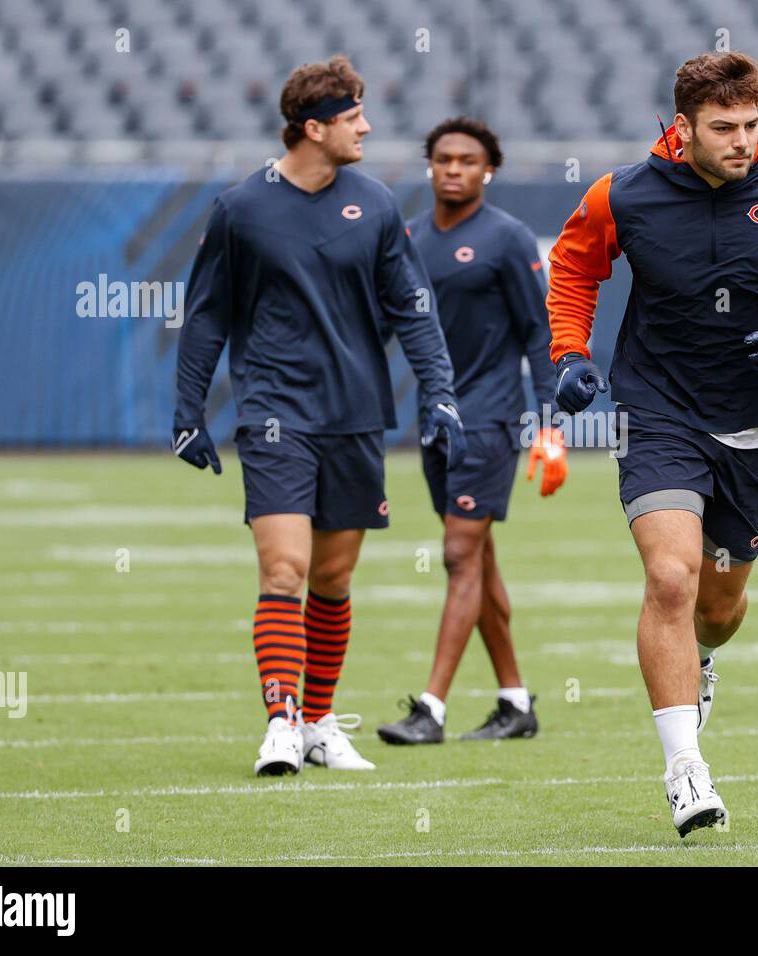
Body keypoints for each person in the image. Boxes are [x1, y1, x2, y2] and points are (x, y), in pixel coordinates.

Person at [546, 51, 758, 837]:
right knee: (668, 577)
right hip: (658, 411)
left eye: (752, 125)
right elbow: (573, 269)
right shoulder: (622, 194)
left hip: (757, 424)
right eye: (724, 127)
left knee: (716, 610)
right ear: (681, 126)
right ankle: (686, 770)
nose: (743, 141)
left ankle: (701, 659)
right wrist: (569, 353)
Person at [172, 55, 466, 776]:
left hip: (355, 417)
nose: (365, 127)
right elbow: (206, 315)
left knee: (332, 582)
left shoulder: (375, 204)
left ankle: (319, 722)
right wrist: (187, 410)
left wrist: (440, 392)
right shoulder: (240, 209)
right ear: (312, 127)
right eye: (351, 116)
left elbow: (415, 309)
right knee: (285, 570)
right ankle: (281, 722)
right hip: (274, 413)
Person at [377, 116, 565, 745]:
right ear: (429, 166)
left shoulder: (507, 239)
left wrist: (550, 423)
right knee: (476, 558)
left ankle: (430, 709)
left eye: (467, 160)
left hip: (490, 419)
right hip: (436, 421)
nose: (454, 168)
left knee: (459, 553)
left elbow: (539, 334)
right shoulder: (405, 240)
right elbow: (385, 327)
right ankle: (516, 703)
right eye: (443, 158)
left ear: (489, 170)